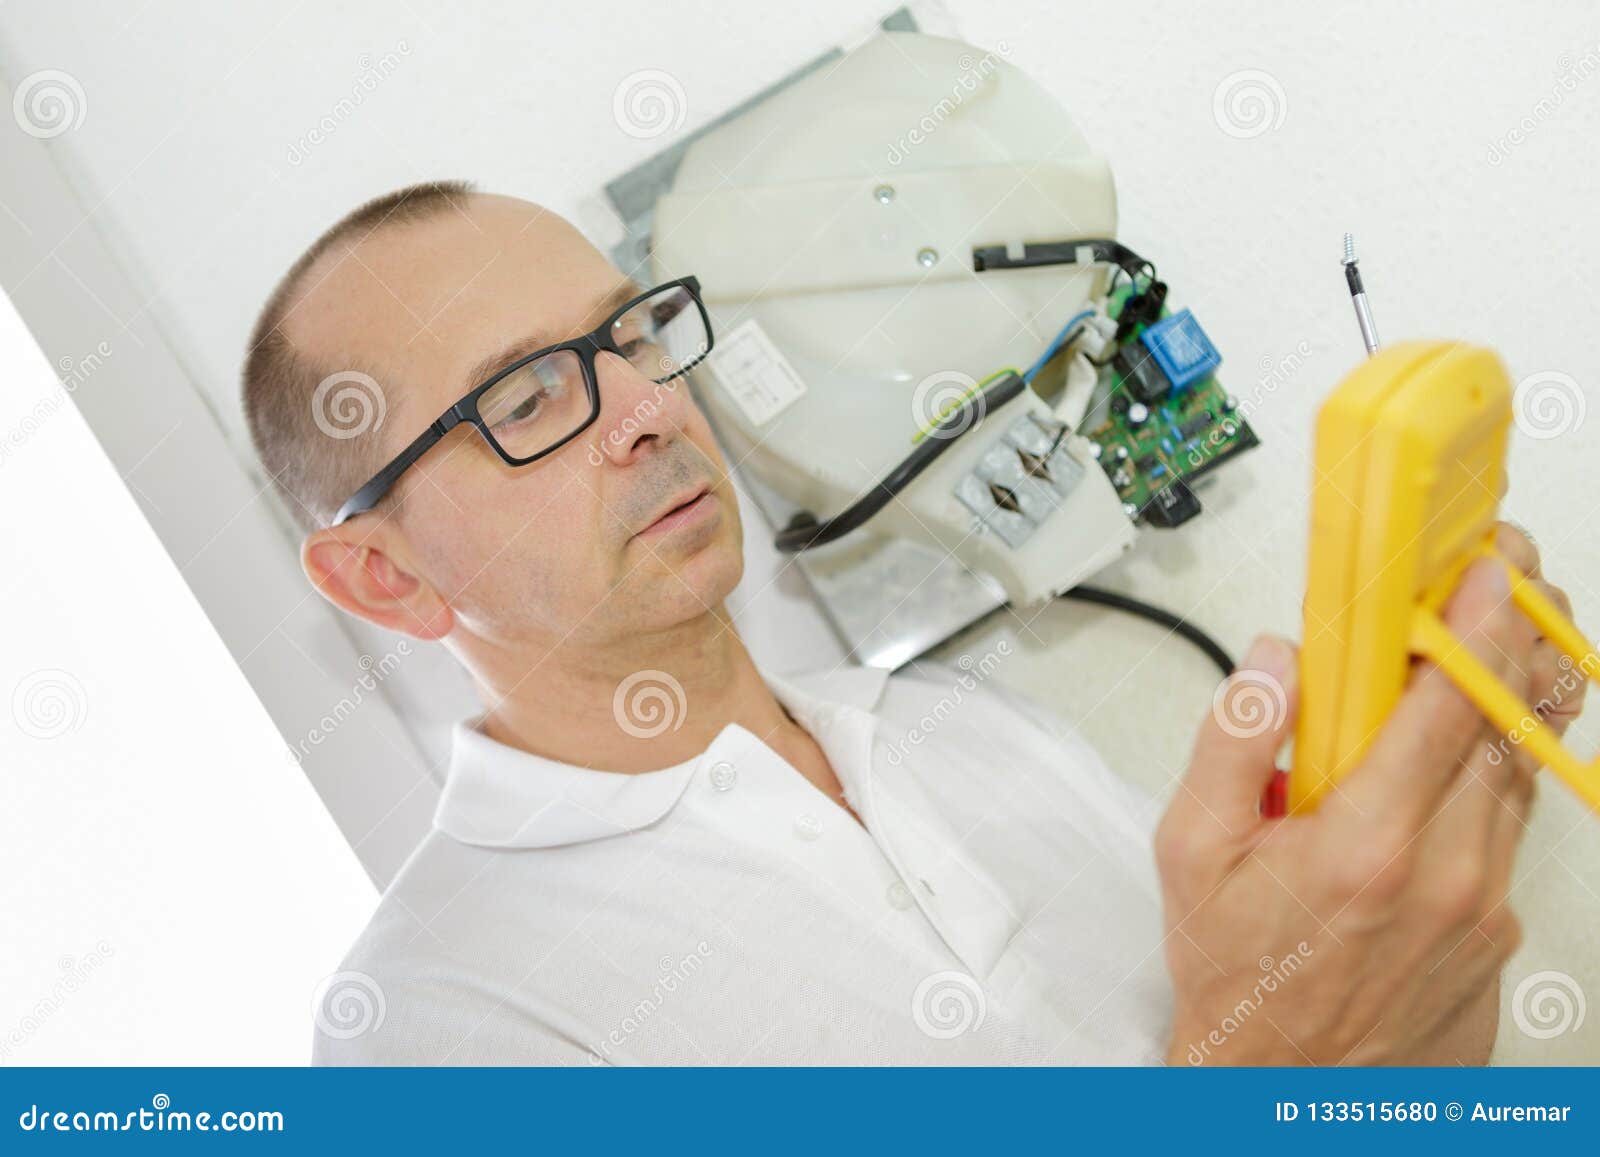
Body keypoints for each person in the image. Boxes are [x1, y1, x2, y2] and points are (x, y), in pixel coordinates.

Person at [242, 181, 1582, 1065]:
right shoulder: (433, 1025)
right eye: (529, 401)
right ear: (382, 577)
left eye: (634, 337)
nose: (648, 408)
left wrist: (1434, 844)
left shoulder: (967, 728)